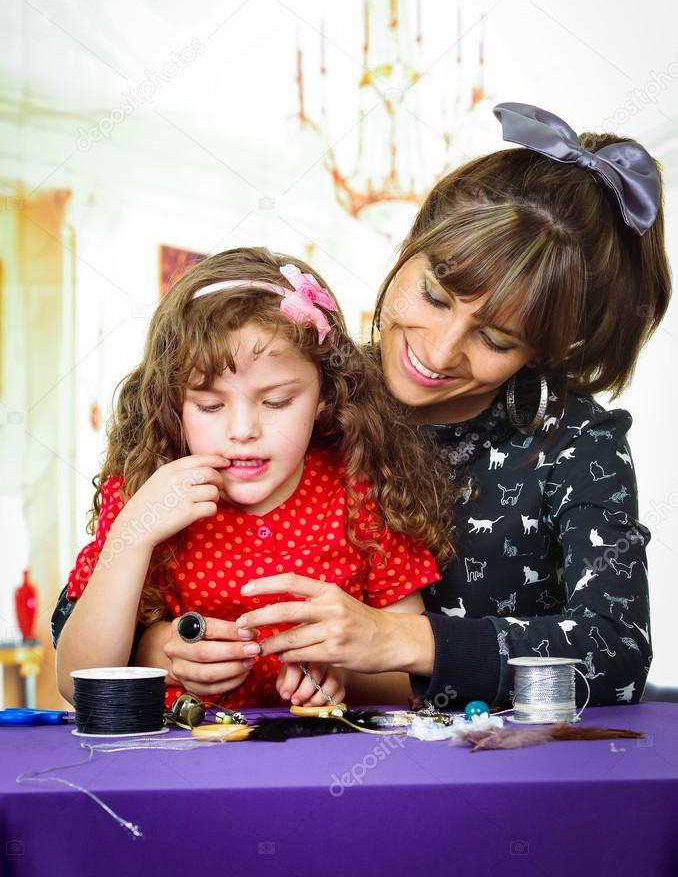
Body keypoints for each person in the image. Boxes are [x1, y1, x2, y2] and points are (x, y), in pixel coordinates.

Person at [167, 101, 668, 711]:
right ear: (410, 243)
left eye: (496, 339)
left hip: (505, 775)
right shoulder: (298, 390)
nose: (439, 350)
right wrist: (172, 649)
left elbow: (616, 654)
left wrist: (396, 639)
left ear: (542, 351)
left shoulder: (573, 438)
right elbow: (80, 628)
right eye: (434, 295)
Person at [53, 248, 451, 710]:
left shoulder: (365, 489)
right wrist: (134, 536)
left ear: (325, 396)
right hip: (180, 763)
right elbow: (75, 682)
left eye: (277, 401)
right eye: (210, 406)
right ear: (174, 405)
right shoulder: (145, 495)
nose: (243, 431)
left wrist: (340, 674)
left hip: (320, 761)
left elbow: (409, 679)